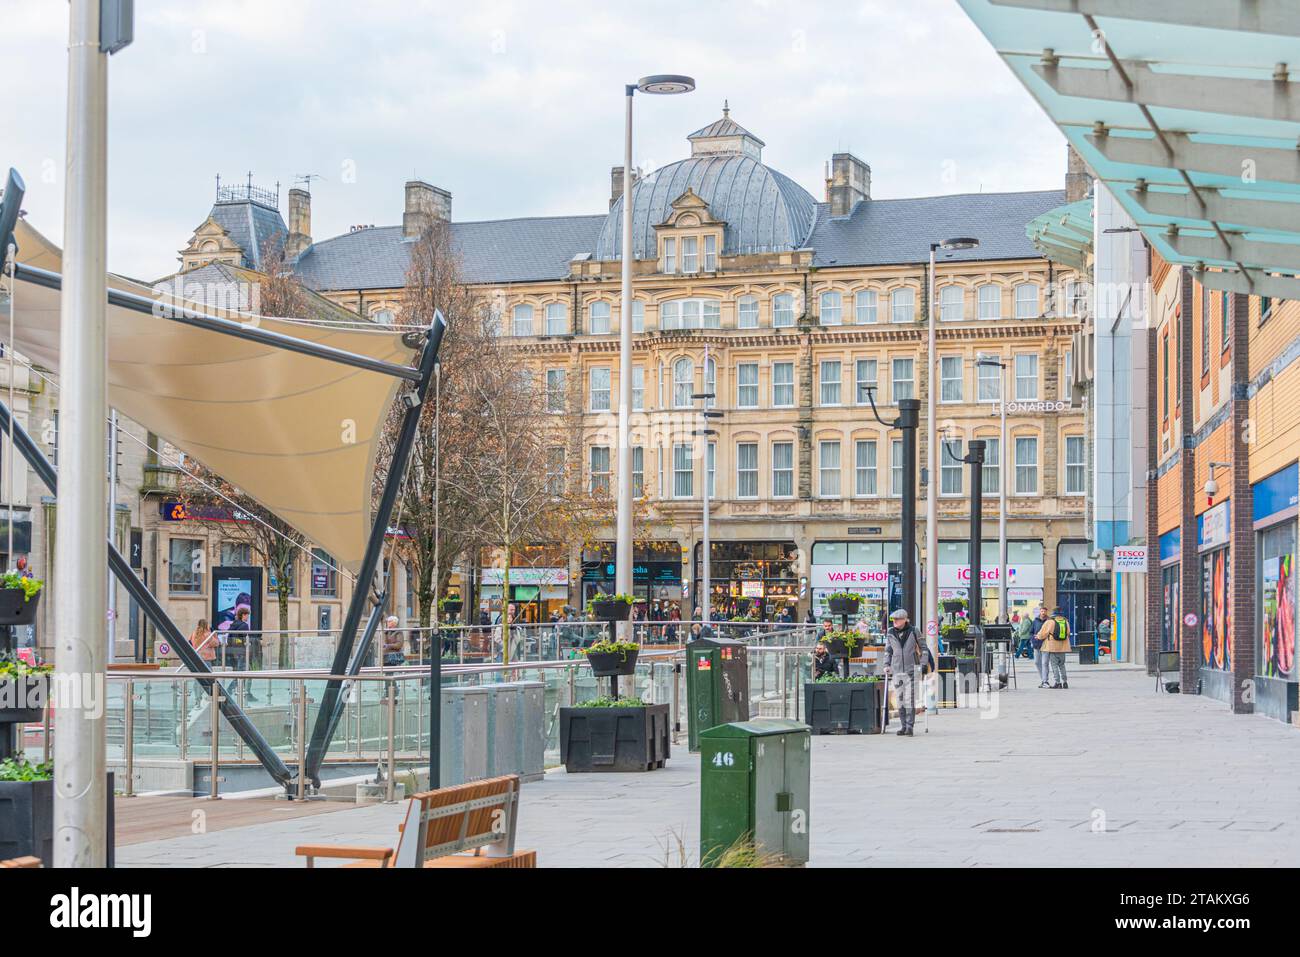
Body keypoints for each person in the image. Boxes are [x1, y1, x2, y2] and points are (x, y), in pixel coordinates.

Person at [882, 608, 929, 736]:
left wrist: (923, 663)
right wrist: (886, 664)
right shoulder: (891, 632)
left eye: (897, 619)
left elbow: (924, 648)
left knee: (909, 699)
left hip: (911, 669)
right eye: (893, 619)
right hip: (897, 670)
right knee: (900, 699)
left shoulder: (914, 631)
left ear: (904, 620)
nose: (894, 621)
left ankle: (909, 726)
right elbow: (888, 650)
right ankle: (903, 726)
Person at [1040, 606, 1071, 689]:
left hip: (1052, 647)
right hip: (1063, 647)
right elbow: (1068, 633)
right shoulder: (1065, 622)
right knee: (1062, 665)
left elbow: (1042, 633)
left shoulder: (1050, 622)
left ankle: (1058, 683)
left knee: (1054, 665)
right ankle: (1065, 682)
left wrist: (1038, 637)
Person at [1029, 605, 1051, 687]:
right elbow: (1031, 632)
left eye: (1044, 611)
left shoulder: (1049, 621)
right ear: (1040, 612)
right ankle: (1043, 679)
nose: (1043, 612)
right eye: (1042, 611)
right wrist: (1033, 638)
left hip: (1046, 645)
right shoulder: (1035, 621)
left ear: (1046, 612)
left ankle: (1045, 681)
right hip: (1036, 645)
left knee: (1045, 663)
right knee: (1037, 662)